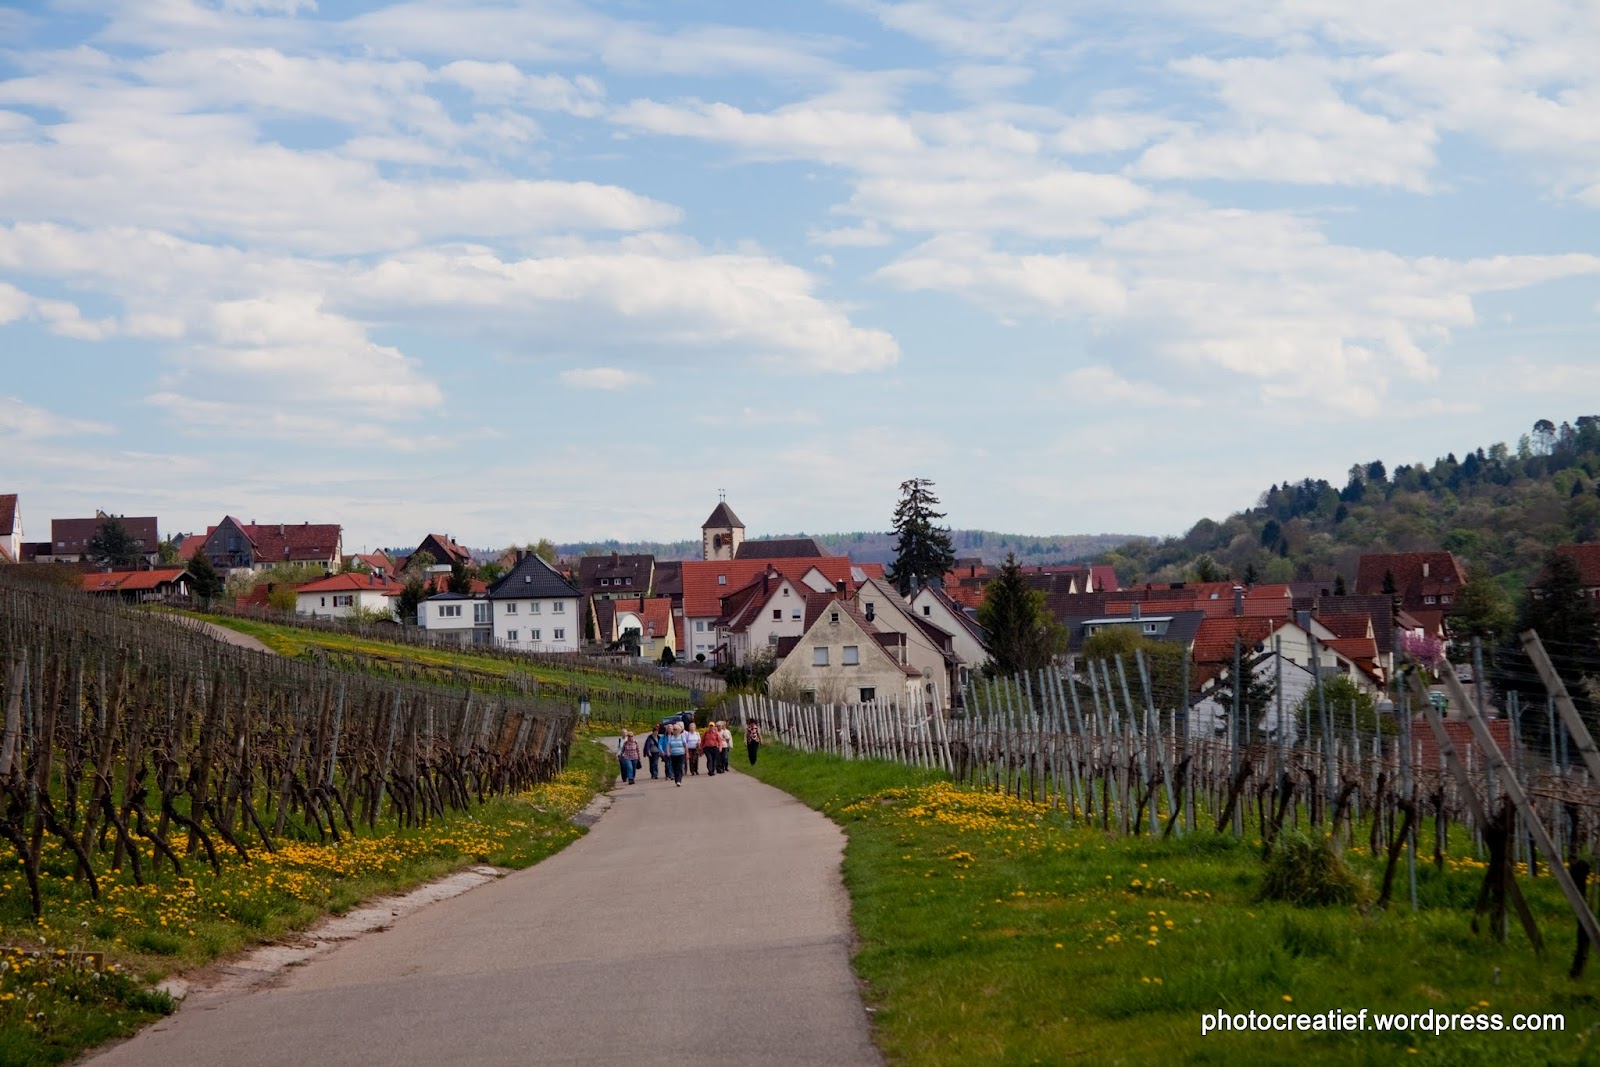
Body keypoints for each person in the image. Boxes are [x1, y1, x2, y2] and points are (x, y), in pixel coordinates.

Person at [665, 722, 687, 786]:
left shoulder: (682, 737)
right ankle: (676, 779)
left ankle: (679, 781)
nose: (673, 730)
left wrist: (687, 753)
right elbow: (668, 745)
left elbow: (685, 745)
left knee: (679, 767)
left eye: (675, 729)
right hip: (673, 754)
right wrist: (668, 752)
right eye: (673, 729)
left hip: (681, 754)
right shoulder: (671, 738)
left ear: (679, 730)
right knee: (674, 768)